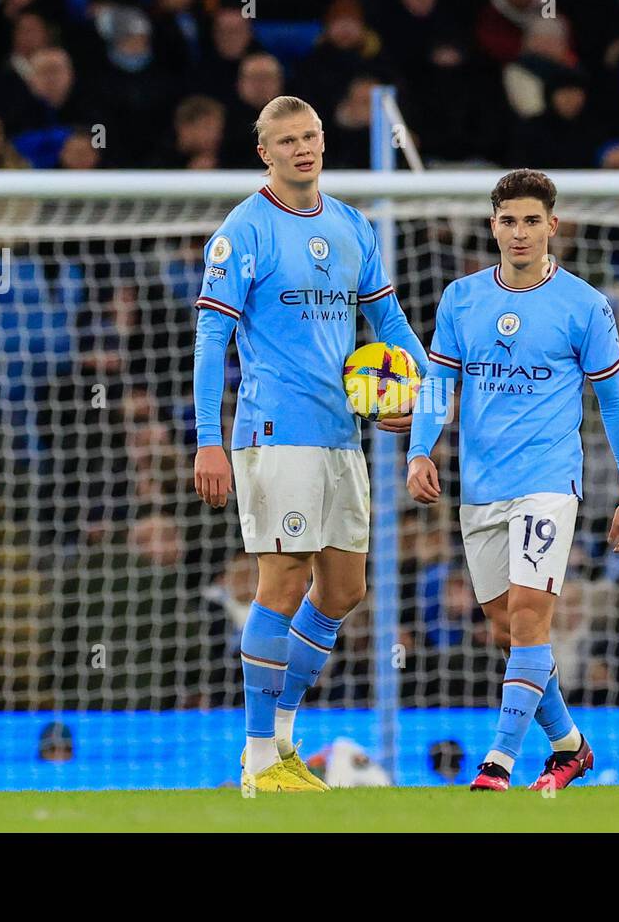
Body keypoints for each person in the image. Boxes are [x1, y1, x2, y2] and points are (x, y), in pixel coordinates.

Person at [191, 95, 428, 793]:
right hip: (273, 432)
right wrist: (209, 441)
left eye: (312, 135)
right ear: (264, 152)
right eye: (287, 139)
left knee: (344, 590)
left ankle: (283, 741)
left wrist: (422, 391)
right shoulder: (245, 230)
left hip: (339, 434)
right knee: (284, 579)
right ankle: (259, 757)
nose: (303, 148)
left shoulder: (354, 226)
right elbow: (211, 340)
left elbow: (390, 323)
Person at [406, 168, 619, 791]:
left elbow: (614, 403)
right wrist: (420, 450)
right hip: (479, 486)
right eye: (508, 221)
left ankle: (498, 762)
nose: (520, 233)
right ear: (493, 227)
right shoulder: (461, 298)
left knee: (531, 617)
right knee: (505, 629)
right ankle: (570, 746)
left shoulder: (585, 305)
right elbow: (438, 384)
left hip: (548, 482)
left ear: (552, 227)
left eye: (531, 221)